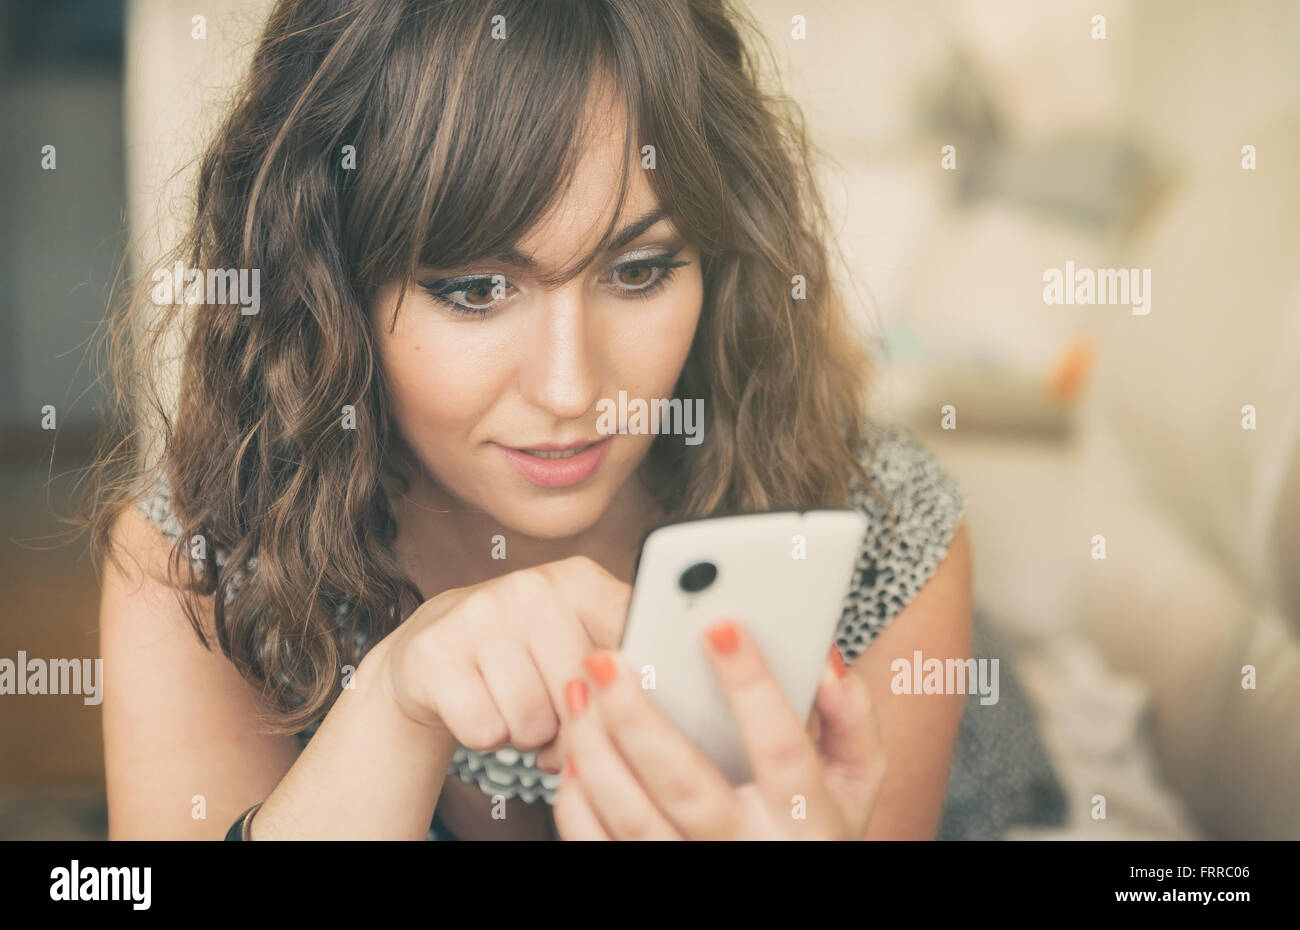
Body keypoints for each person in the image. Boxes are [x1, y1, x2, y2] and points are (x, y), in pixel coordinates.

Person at [92, 0, 971, 840]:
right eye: (475, 290)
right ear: (325, 291)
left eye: (638, 272)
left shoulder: (876, 530)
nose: (568, 388)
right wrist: (395, 709)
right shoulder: (197, 561)